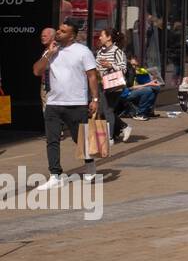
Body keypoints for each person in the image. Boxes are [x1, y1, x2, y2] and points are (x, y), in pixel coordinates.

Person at [32, 22, 100, 189]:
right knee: (52, 140)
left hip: (76, 103)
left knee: (80, 139)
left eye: (63, 31)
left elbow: (92, 76)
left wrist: (95, 99)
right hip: (54, 103)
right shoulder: (51, 51)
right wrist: (49, 54)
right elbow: (36, 71)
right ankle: (55, 176)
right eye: (59, 30)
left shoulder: (83, 51)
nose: (59, 33)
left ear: (72, 35)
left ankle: (90, 165)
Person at [95, 27, 130, 144]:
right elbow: (97, 67)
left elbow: (123, 69)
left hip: (114, 85)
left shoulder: (117, 52)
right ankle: (123, 127)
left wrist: (111, 65)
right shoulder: (100, 51)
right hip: (101, 84)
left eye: (102, 35)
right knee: (104, 110)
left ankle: (109, 137)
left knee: (107, 110)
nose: (99, 37)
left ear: (109, 37)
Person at [121, 55, 162, 120]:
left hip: (136, 91)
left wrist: (153, 79)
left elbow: (148, 83)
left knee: (156, 88)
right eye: (132, 65)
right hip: (126, 93)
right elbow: (130, 88)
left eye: (136, 65)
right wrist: (147, 85)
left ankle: (149, 111)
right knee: (148, 90)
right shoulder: (127, 72)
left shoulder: (140, 71)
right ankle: (140, 114)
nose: (134, 67)